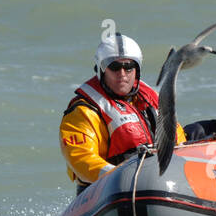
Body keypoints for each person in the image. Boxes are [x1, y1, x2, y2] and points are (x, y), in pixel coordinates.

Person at [60, 32, 184, 192]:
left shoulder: (152, 100)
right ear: (101, 70)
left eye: (128, 67)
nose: (122, 74)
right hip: (107, 191)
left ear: (137, 70)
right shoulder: (84, 111)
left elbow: (178, 139)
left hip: (157, 185)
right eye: (114, 67)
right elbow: (80, 158)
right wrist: (122, 177)